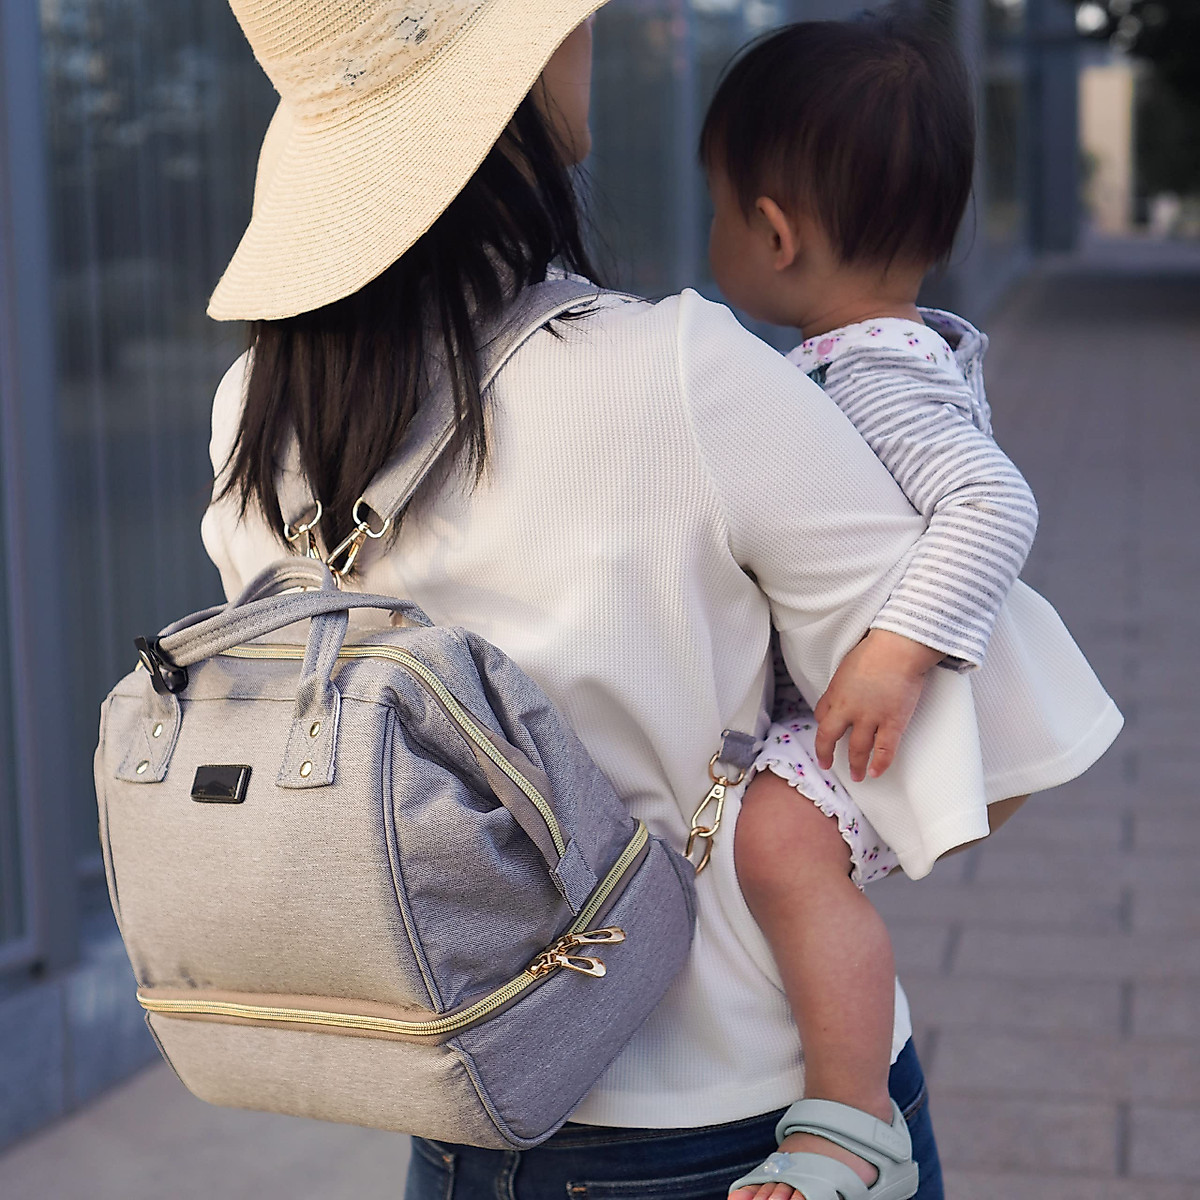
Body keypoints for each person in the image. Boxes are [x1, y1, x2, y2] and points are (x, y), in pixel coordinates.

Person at [199, 3, 1120, 1198]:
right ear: (524, 67)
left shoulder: (251, 415)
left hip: (460, 1106)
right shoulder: (688, 376)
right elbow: (992, 712)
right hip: (747, 1115)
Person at [697, 18, 1122, 1200]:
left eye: (722, 207)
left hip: (919, 704)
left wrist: (893, 655)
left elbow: (993, 503)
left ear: (773, 232)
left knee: (781, 845)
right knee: (779, 848)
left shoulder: (871, 374)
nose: (716, 231)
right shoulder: (884, 350)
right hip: (920, 698)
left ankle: (847, 1125)